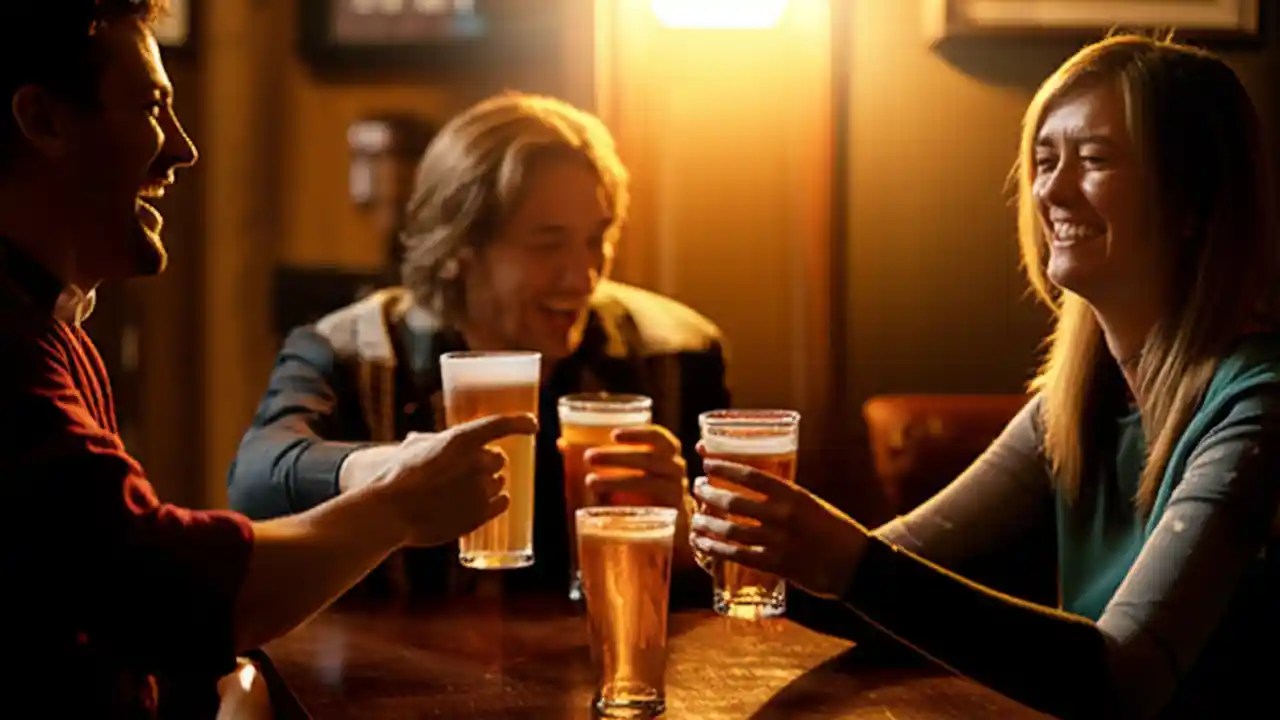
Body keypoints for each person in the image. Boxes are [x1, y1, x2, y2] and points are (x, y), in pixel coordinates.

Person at [691, 34, 1280, 720]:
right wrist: (768, 546)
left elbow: (1123, 681)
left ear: (1192, 204)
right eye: (1044, 159)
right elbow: (870, 592)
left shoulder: (1258, 406)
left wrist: (846, 563)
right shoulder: (1075, 402)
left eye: (1093, 159)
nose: (1051, 190)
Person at [0, 3, 535, 716]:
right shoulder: (6, 348)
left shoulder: (49, 321)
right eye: (155, 107)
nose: (184, 149)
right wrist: (398, 504)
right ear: (44, 120)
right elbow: (160, 585)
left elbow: (95, 604)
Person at [228, 91, 731, 600]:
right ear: (459, 248)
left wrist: (690, 542)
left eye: (596, 238)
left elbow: (736, 584)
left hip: (602, 665)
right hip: (397, 670)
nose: (583, 275)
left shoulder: (673, 351)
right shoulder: (350, 351)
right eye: (548, 243)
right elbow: (254, 482)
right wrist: (382, 471)